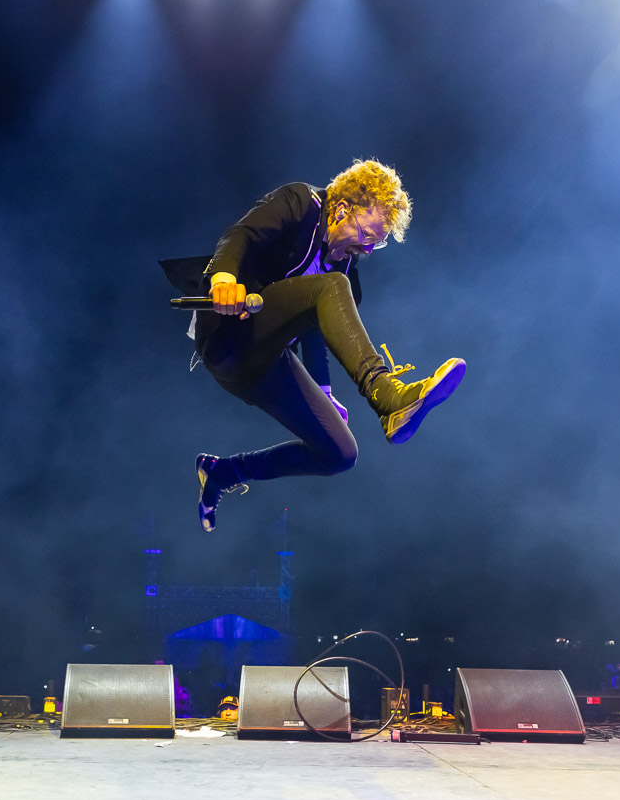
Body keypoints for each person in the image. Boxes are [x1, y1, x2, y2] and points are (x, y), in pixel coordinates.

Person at [164, 159, 467, 532]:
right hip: (229, 337)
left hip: (264, 363)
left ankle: (222, 472)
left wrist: (324, 392)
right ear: (342, 210)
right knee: (331, 288)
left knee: (340, 453)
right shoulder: (300, 203)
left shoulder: (342, 271)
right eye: (367, 236)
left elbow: (313, 328)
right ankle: (387, 397)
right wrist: (224, 280)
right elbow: (239, 236)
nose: (368, 250)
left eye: (378, 242)